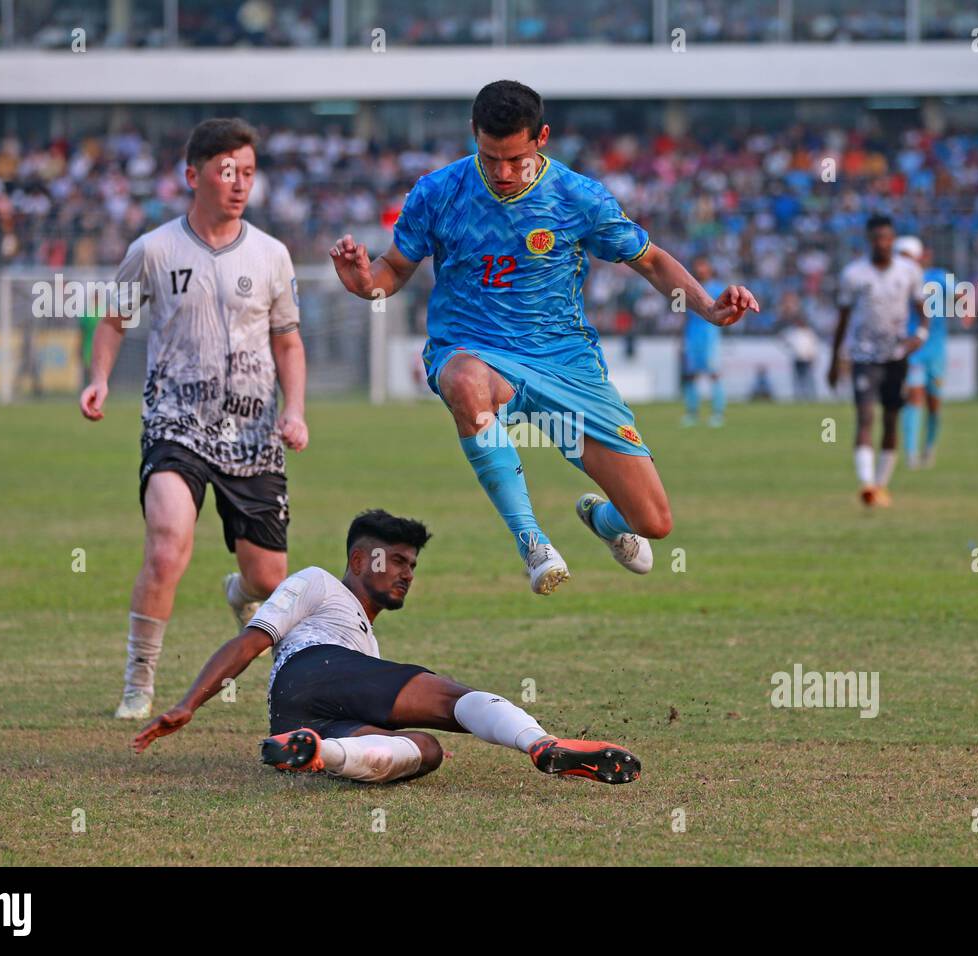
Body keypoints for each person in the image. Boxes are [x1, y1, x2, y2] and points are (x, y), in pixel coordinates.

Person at [329, 80, 759, 594]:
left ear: (542, 138)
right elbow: (392, 270)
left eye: (514, 158)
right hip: (475, 351)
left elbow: (651, 260)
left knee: (654, 522)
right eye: (490, 157)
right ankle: (532, 541)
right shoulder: (438, 192)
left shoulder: (577, 197)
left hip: (564, 363)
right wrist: (364, 283)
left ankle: (603, 522)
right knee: (466, 381)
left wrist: (709, 307)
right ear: (474, 135)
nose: (503, 172)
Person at [132, 510, 642, 786]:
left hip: (292, 718)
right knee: (450, 701)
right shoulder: (317, 583)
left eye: (413, 566)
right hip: (317, 670)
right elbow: (252, 639)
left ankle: (316, 753)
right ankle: (541, 744)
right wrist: (188, 703)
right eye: (396, 560)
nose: (406, 573)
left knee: (425, 751)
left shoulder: (366, 639)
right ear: (358, 559)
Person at [79, 118, 308, 720]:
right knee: (168, 543)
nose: (239, 184)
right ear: (193, 175)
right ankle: (138, 681)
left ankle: (240, 592)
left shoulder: (271, 255)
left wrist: (296, 410)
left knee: (267, 580)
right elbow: (113, 320)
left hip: (253, 434)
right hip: (174, 424)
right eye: (227, 171)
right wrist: (99, 378)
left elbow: (287, 339)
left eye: (248, 173)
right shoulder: (153, 250)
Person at [827, 215, 929, 507]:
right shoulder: (854, 275)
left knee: (891, 419)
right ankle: (867, 484)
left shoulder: (909, 271)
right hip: (863, 355)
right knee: (865, 416)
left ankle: (881, 484)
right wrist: (835, 361)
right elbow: (843, 320)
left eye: (888, 238)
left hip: (896, 355)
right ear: (869, 240)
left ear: (893, 240)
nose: (883, 243)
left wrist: (919, 336)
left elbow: (923, 310)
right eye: (877, 238)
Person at [895, 236, 950, 469]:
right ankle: (911, 454)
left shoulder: (939, 277)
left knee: (934, 403)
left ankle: (930, 447)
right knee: (914, 396)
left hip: (936, 349)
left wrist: (967, 308)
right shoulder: (897, 280)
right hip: (913, 348)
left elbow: (961, 296)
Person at [681, 255, 728, 427]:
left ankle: (718, 413)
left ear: (709, 268)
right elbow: (679, 311)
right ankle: (691, 414)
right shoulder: (685, 288)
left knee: (714, 374)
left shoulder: (718, 289)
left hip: (710, 336)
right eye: (697, 266)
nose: (700, 269)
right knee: (690, 375)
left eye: (703, 265)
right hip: (691, 336)